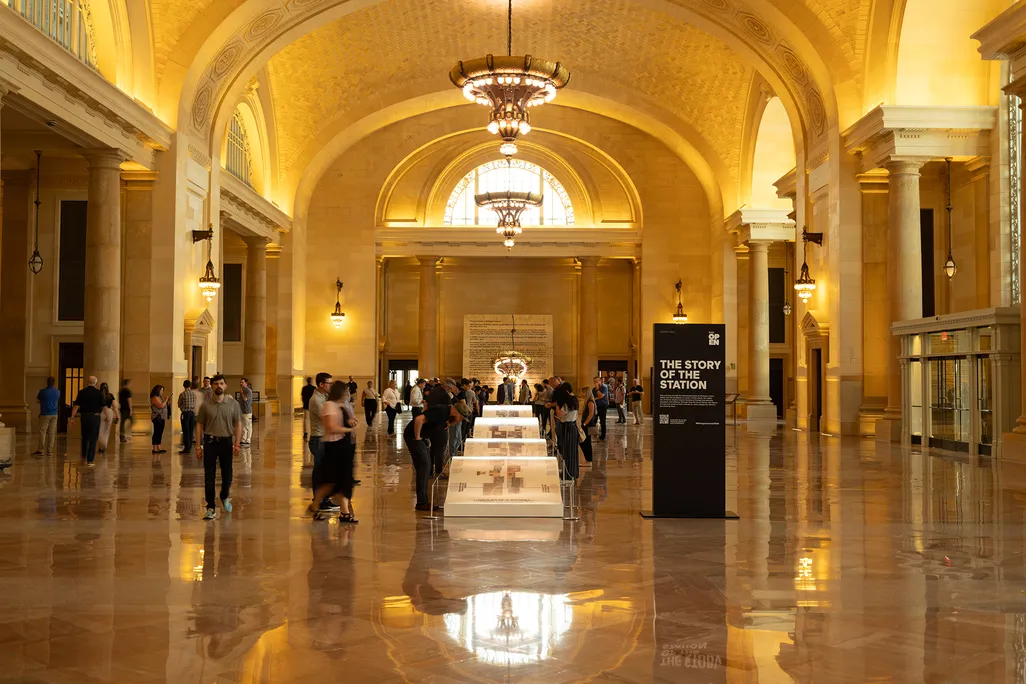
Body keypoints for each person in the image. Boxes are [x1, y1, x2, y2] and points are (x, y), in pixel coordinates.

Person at [308, 381, 358, 522]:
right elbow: (331, 427)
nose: (347, 395)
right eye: (345, 392)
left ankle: (345, 512)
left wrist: (351, 422)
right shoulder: (328, 405)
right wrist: (349, 429)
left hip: (344, 446)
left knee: (344, 481)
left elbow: (348, 420)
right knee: (330, 481)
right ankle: (315, 505)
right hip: (333, 447)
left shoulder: (340, 405)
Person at [195, 374, 242, 520]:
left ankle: (224, 496)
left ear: (225, 386)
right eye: (216, 384)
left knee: (227, 474)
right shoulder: (206, 404)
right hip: (210, 442)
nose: (219, 386)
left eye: (221, 383)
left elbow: (238, 423)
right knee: (209, 475)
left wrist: (237, 443)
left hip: (226, 442)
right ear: (212, 387)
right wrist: (198, 445)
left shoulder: (233, 404)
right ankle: (210, 506)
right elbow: (199, 425)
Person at [404, 386, 459, 511]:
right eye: (460, 418)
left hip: (420, 437)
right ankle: (421, 503)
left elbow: (430, 411)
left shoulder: (447, 413)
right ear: (455, 412)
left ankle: (423, 501)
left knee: (426, 466)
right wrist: (418, 438)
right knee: (424, 466)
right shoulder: (441, 411)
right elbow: (419, 419)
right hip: (413, 436)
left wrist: (448, 423)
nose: (459, 421)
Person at [308, 372, 333, 511]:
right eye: (329, 383)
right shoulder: (316, 400)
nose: (331, 385)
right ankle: (318, 500)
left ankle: (325, 498)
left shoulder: (324, 397)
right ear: (321, 384)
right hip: (318, 439)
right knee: (319, 472)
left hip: (324, 438)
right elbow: (328, 419)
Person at [69, 376, 105, 466]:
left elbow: (76, 406)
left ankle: (83, 457)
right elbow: (104, 406)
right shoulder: (99, 393)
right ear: (96, 383)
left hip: (85, 417)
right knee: (93, 438)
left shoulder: (82, 392)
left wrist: (72, 418)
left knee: (84, 437)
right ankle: (90, 460)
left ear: (87, 382)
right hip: (95, 417)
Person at [552, 382, 580, 481]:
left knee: (567, 452)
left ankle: (568, 473)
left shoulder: (566, 402)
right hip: (573, 427)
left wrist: (556, 406)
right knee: (572, 452)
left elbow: (560, 415)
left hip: (567, 427)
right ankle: (573, 472)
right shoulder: (574, 399)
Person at [33, 376, 60, 456]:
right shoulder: (57, 392)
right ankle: (50, 451)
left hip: (45, 413)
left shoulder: (42, 392)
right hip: (54, 413)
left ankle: (41, 450)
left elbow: (37, 401)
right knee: (51, 432)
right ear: (54, 382)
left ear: (47, 382)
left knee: (42, 431)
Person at [97, 382, 120, 453]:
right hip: (109, 413)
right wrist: (117, 415)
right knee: (106, 431)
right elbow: (115, 407)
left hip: (100, 413)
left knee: (100, 430)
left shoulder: (98, 395)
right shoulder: (110, 396)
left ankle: (101, 445)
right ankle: (103, 446)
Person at [178, 379, 197, 454]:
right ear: (190, 385)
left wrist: (183, 408)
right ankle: (190, 446)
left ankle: (186, 448)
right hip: (192, 413)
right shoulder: (193, 394)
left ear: (183, 385)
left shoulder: (183, 394)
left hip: (185, 413)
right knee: (191, 430)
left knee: (185, 430)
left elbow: (179, 404)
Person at [149, 385, 170, 454]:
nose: (162, 392)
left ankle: (158, 447)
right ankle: (155, 448)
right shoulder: (154, 397)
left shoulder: (159, 397)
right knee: (157, 432)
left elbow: (163, 405)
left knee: (160, 432)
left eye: (162, 390)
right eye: (161, 390)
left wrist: (167, 401)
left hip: (161, 417)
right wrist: (166, 400)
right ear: (157, 390)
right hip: (157, 417)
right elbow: (160, 406)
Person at [579, 387, 597, 463]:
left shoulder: (590, 402)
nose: (581, 394)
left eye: (583, 392)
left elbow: (591, 414)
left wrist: (585, 423)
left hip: (588, 424)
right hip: (585, 423)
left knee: (586, 441)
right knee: (584, 440)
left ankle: (589, 457)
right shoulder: (587, 401)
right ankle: (587, 457)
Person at [592, 376, 609, 441]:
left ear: (600, 381)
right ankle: (594, 433)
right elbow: (592, 398)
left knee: (602, 421)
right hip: (595, 407)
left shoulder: (604, 388)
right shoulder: (593, 389)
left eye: (596, 381)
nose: (595, 383)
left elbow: (601, 396)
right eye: (594, 382)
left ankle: (603, 436)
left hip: (602, 406)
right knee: (594, 421)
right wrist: (598, 397)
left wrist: (597, 389)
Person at [239, 378, 254, 446]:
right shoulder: (243, 390)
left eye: (242, 382)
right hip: (242, 411)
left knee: (248, 426)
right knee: (244, 426)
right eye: (240, 382)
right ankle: (243, 439)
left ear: (246, 383)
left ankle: (248, 440)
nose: (241, 384)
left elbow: (245, 399)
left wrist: (241, 393)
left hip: (247, 411)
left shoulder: (248, 391)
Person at [301, 376, 316, 441]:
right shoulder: (314, 388)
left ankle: (305, 433)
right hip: (312, 406)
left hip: (306, 405)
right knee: (313, 419)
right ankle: (313, 432)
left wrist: (304, 402)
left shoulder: (304, 388)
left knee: (306, 419)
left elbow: (302, 397)